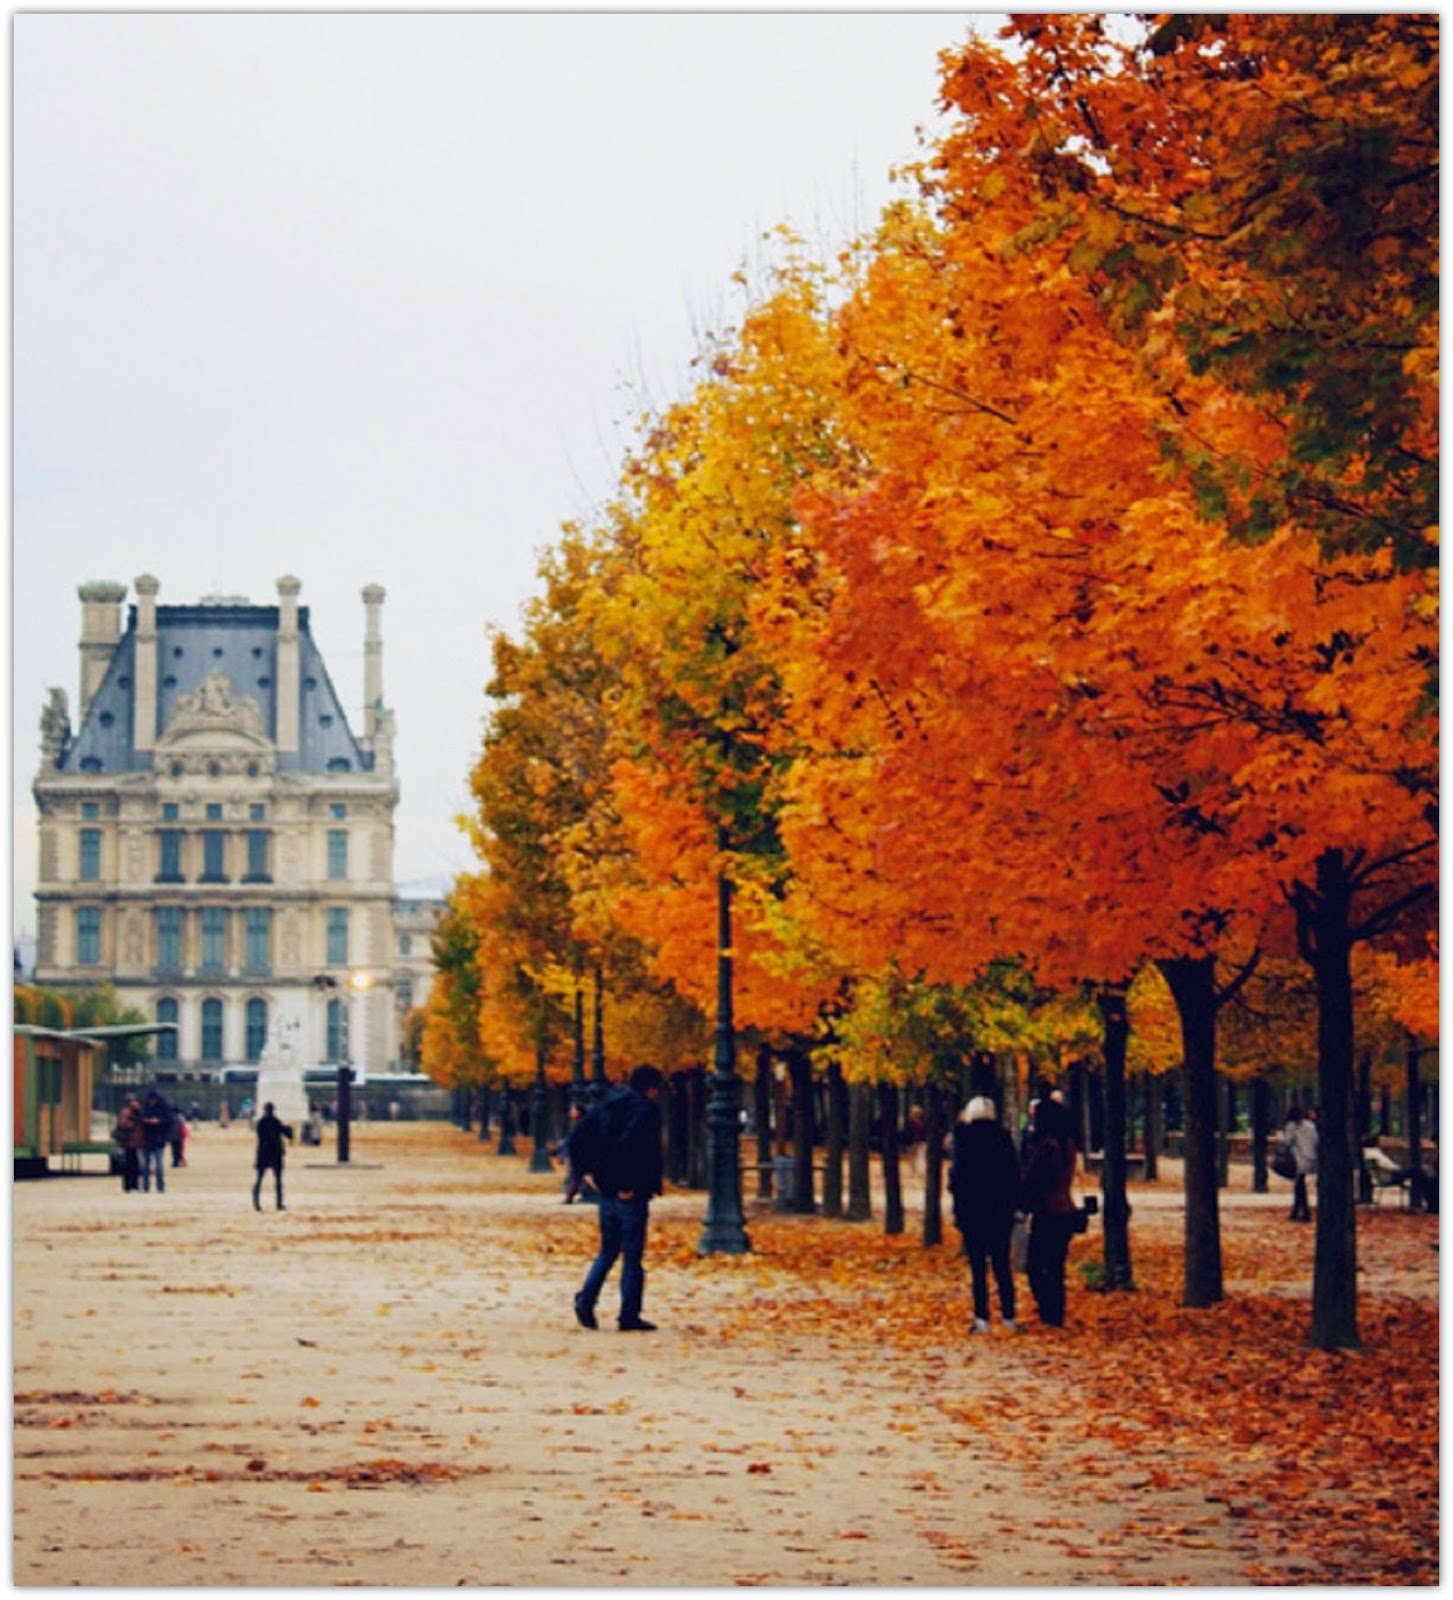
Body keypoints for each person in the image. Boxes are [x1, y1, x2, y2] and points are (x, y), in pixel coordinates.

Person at [571, 1064, 665, 1332]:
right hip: (629, 1190)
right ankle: (628, 1314)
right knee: (632, 1254)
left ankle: (587, 1298)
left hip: (606, 1189)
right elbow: (632, 1145)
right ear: (650, 1087)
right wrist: (626, 1182)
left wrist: (587, 1172)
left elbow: (580, 1134)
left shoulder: (609, 1103)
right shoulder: (644, 1110)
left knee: (608, 1249)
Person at [948, 1096, 1021, 1333]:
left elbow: (957, 1177)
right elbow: (1012, 1175)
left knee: (978, 1266)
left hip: (973, 1211)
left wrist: (958, 1209)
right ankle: (1009, 1316)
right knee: (1001, 1263)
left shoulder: (964, 1139)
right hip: (1000, 1211)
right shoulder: (1003, 1138)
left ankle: (982, 1318)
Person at [1020, 1083, 1079, 1328]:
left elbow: (1034, 1178)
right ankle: (1055, 1312)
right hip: (1065, 1210)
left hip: (1047, 1211)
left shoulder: (1047, 1149)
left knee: (1036, 1264)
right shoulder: (1068, 1146)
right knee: (1055, 1264)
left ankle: (1048, 1309)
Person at [252, 1101, 294, 1211]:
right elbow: (286, 1133)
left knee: (260, 1179)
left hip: (263, 1153)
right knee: (278, 1180)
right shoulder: (276, 1122)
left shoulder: (261, 1123)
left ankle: (256, 1202)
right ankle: (279, 1203)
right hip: (275, 1153)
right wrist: (289, 1130)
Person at [1283, 1104, 1318, 1222]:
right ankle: (1298, 1210)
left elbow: (1288, 1141)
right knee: (1300, 1185)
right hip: (1311, 1157)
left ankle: (1302, 1212)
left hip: (1298, 1158)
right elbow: (1316, 1140)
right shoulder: (1310, 1125)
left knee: (1299, 1186)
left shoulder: (1291, 1126)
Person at [139, 1089, 174, 1193]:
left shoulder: (164, 1107)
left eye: (154, 1099)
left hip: (159, 1138)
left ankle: (160, 1186)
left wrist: (158, 1121)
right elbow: (140, 1118)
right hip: (147, 1138)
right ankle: (146, 1186)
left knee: (159, 1164)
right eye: (151, 1099)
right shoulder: (145, 1107)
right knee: (145, 1164)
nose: (152, 1101)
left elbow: (170, 1120)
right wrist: (146, 1121)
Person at [115, 1094, 144, 1193]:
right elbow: (122, 1124)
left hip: (136, 1141)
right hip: (129, 1142)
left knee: (134, 1164)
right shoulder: (126, 1112)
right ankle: (130, 1186)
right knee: (130, 1164)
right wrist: (133, 1124)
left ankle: (133, 1185)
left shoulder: (138, 1112)